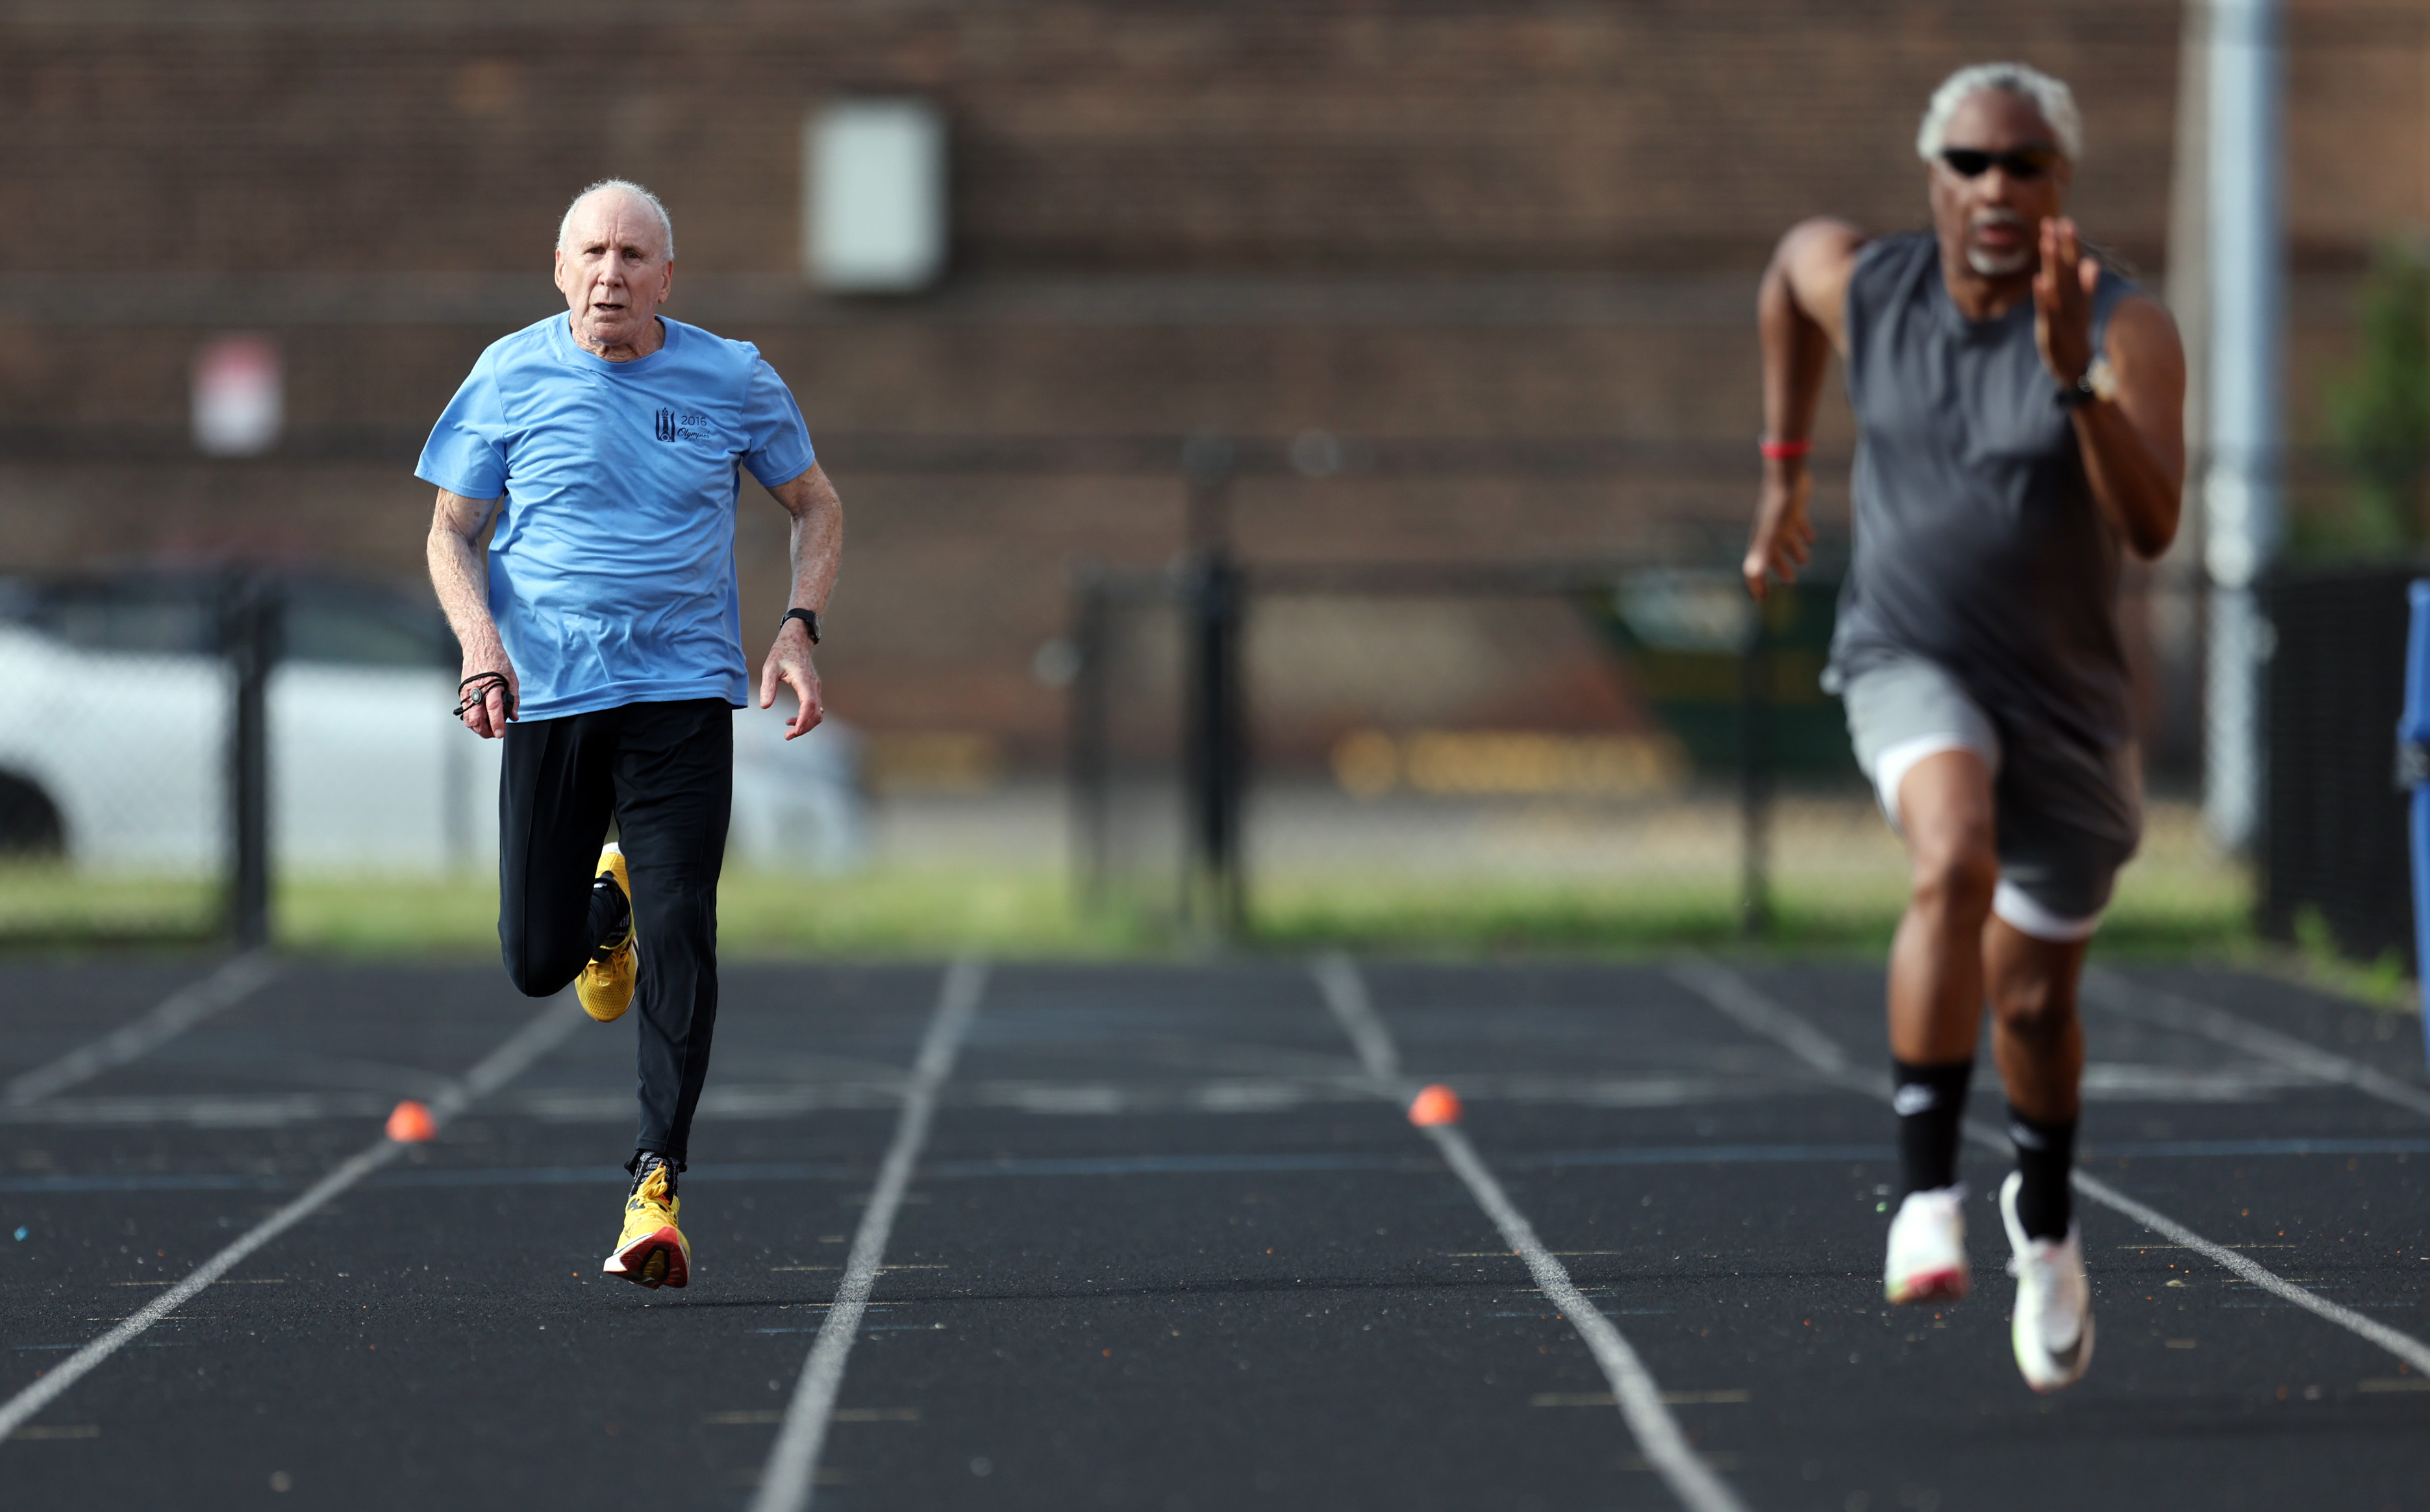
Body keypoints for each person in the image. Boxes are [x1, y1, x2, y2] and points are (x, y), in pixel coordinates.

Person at [1742, 64, 2185, 1391]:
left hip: (2063, 703)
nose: (1997, 187)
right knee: (1949, 858)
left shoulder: (2121, 325)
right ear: (1932, 174)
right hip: (1906, 654)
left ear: (2061, 183)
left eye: (2026, 164)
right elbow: (1782, 273)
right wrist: (1780, 470)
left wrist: (2070, 383)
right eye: (1972, 162)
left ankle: (2041, 1225)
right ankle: (1922, 1188)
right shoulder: (1863, 282)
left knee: (2036, 1006)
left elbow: (2152, 525)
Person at [421, 179, 844, 1289]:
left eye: (632, 256)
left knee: (687, 928)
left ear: (668, 277)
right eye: (592, 253)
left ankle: (655, 1185)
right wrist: (480, 646)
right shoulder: (508, 372)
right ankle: (600, 916)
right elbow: (451, 532)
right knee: (535, 962)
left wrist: (798, 628)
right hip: (553, 698)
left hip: (682, 696)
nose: (610, 274)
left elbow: (817, 504)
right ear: (561, 268)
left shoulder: (732, 375)